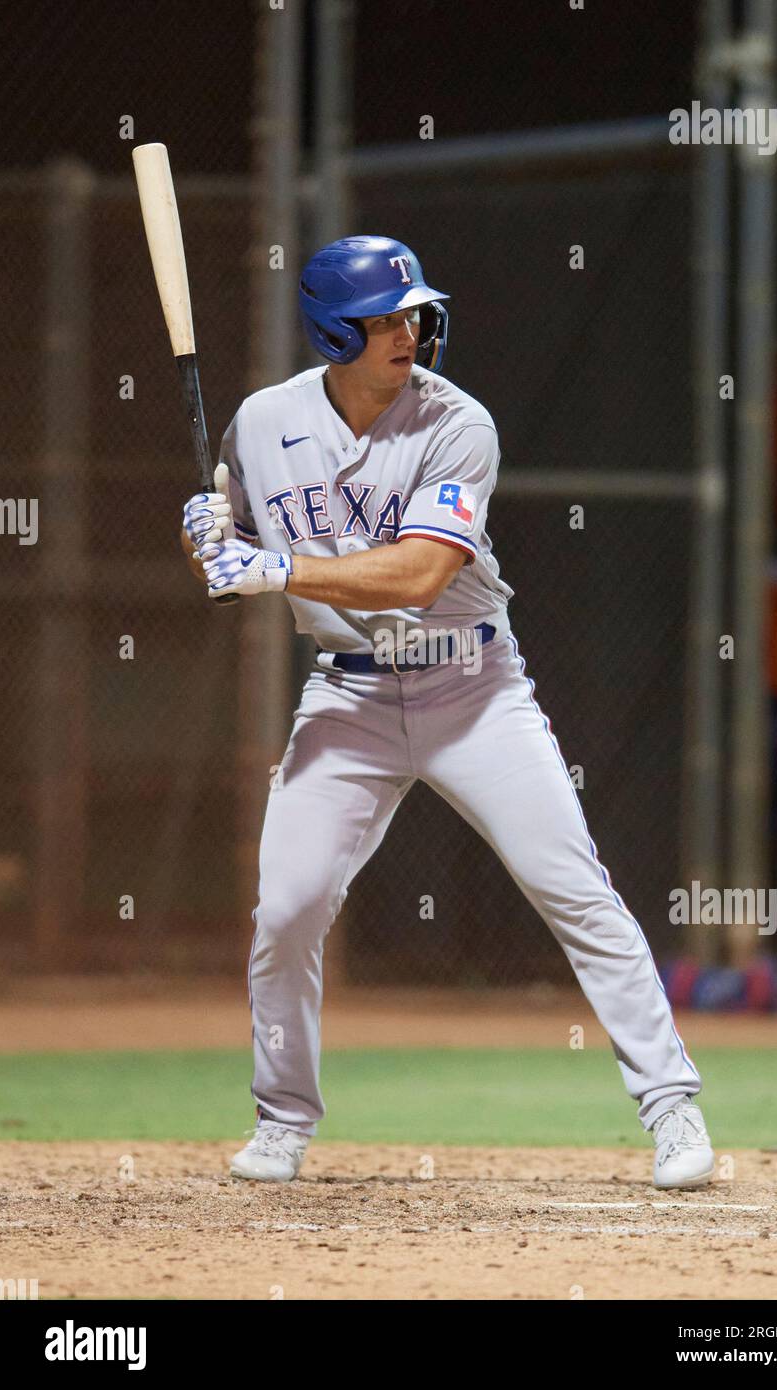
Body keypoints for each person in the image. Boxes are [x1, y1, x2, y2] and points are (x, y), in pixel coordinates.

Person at [181, 235, 714, 1190]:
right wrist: (213, 542)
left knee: (572, 886)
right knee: (288, 910)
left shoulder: (459, 423)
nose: (409, 331)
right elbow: (237, 557)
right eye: (385, 318)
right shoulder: (260, 425)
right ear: (333, 330)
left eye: (414, 313)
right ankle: (282, 1119)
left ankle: (672, 1110)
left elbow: (423, 576)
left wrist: (274, 567)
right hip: (346, 694)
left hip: (474, 691)